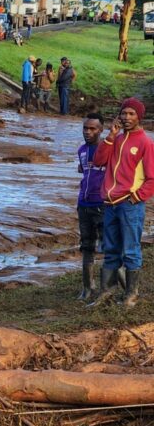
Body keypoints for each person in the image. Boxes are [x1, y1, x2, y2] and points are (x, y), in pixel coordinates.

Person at [90, 98, 152, 308]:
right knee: (111, 249)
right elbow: (99, 161)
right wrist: (110, 135)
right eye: (123, 114)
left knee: (131, 250)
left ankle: (131, 296)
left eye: (131, 114)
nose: (126, 118)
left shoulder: (145, 142)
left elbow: (152, 178)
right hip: (110, 203)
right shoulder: (116, 139)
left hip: (130, 204)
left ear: (139, 117)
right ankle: (106, 293)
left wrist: (135, 197)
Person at [76, 113, 107, 300]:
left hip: (102, 206)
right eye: (85, 128)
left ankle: (112, 289)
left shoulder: (108, 150)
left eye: (93, 128)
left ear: (101, 130)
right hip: (83, 205)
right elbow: (83, 172)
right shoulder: (81, 150)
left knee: (109, 248)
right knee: (87, 247)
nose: (88, 132)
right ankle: (88, 288)